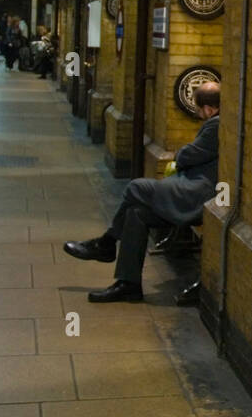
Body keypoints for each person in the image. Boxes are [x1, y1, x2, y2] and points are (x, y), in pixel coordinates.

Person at [63, 81, 221, 302]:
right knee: (135, 214)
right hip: (194, 187)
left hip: (198, 193)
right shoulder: (218, 123)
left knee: (137, 187)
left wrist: (182, 153)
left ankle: (106, 243)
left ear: (208, 108)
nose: (198, 113)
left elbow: (186, 156)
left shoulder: (217, 125)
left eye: (198, 109)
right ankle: (128, 284)